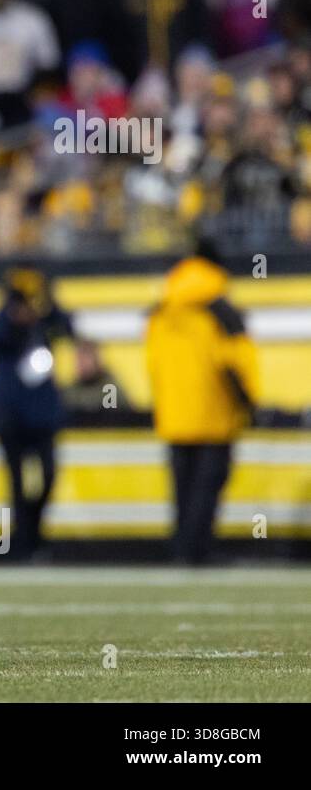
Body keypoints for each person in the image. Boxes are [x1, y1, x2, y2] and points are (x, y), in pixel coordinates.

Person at [146, 239, 258, 564]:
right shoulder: (221, 310)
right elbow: (234, 363)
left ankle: (181, 551)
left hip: (175, 416)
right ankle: (199, 552)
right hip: (213, 416)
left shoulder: (162, 308)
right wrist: (248, 404)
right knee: (206, 490)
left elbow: (153, 364)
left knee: (182, 490)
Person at [0, 268, 72, 560]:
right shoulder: (2, 324)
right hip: (10, 415)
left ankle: (34, 532)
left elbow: (68, 327)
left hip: (42, 415)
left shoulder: (44, 323)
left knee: (48, 475)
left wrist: (47, 299)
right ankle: (24, 543)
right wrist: (11, 307)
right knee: (17, 482)